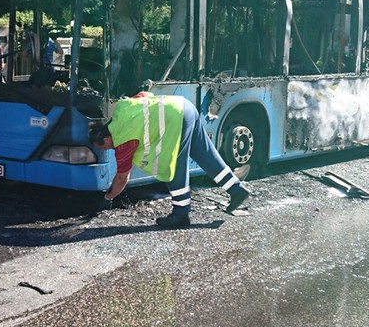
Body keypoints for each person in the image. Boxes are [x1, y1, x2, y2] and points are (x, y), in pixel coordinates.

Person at [90, 92, 251, 228]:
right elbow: (146, 95)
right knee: (206, 155)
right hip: (184, 106)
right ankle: (237, 190)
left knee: (170, 165)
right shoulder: (122, 109)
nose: (108, 150)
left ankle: (181, 214)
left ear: (105, 139)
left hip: (176, 120)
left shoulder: (123, 141)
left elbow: (122, 178)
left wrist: (107, 198)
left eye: (104, 148)